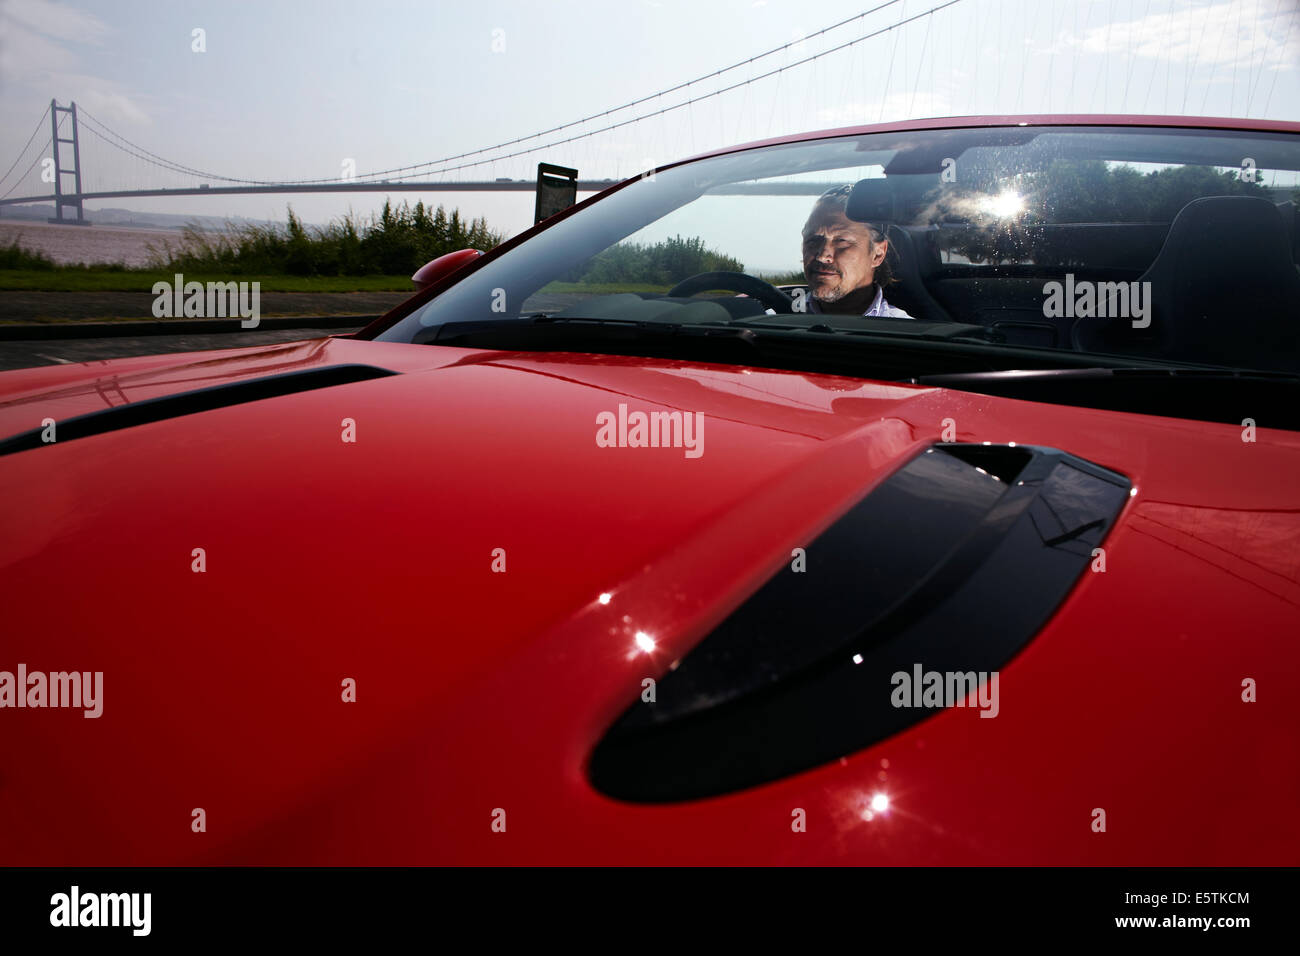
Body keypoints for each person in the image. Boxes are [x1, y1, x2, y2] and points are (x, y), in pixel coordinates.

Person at [800, 184, 912, 318]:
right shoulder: (776, 317)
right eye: (813, 240)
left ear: (878, 254)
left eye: (841, 241)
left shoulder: (903, 333)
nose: (822, 256)